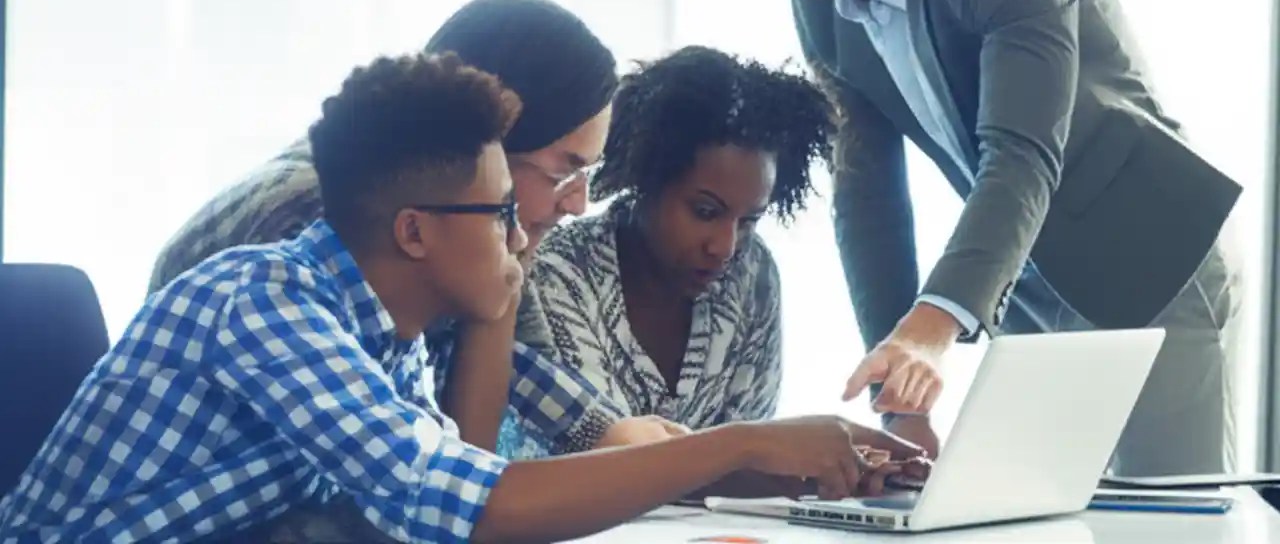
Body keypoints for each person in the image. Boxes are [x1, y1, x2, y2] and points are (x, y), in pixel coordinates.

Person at [0, 53, 928, 543]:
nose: (532, 227)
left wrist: (820, 459)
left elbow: (591, 440)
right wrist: (748, 441)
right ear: (415, 232)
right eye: (500, 211)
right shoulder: (267, 301)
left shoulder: (405, 334)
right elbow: (462, 506)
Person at [686, 0, 1242, 476]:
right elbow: (868, 198)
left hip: (1154, 262)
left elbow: (1021, 151)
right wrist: (896, 393)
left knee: (1169, 522)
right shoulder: (819, 3)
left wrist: (929, 331)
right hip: (1028, 284)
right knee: (1028, 513)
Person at [146, 0, 668, 456]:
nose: (577, 203)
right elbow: (431, 483)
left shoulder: (473, 223)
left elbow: (498, 393)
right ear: (491, 144)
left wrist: (607, 432)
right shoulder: (328, 213)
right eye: (565, 170)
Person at [510, 46, 834, 473]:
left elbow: (747, 462)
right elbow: (610, 465)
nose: (726, 246)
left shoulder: (752, 275)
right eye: (705, 212)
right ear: (647, 180)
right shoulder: (557, 274)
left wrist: (834, 474)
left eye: (748, 220)